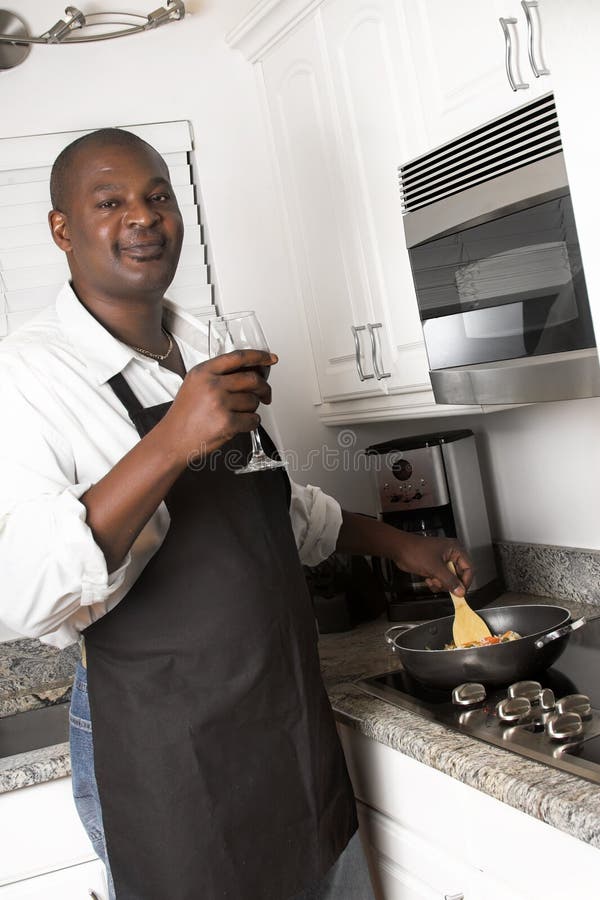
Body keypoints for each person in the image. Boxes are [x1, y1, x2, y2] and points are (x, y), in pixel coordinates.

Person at [0, 129, 473, 900]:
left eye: (158, 195)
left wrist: (398, 544)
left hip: (282, 712)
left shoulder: (207, 342)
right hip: (161, 740)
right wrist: (172, 441)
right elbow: (25, 591)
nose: (144, 217)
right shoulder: (25, 376)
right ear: (62, 229)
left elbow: (273, 507)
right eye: (111, 201)